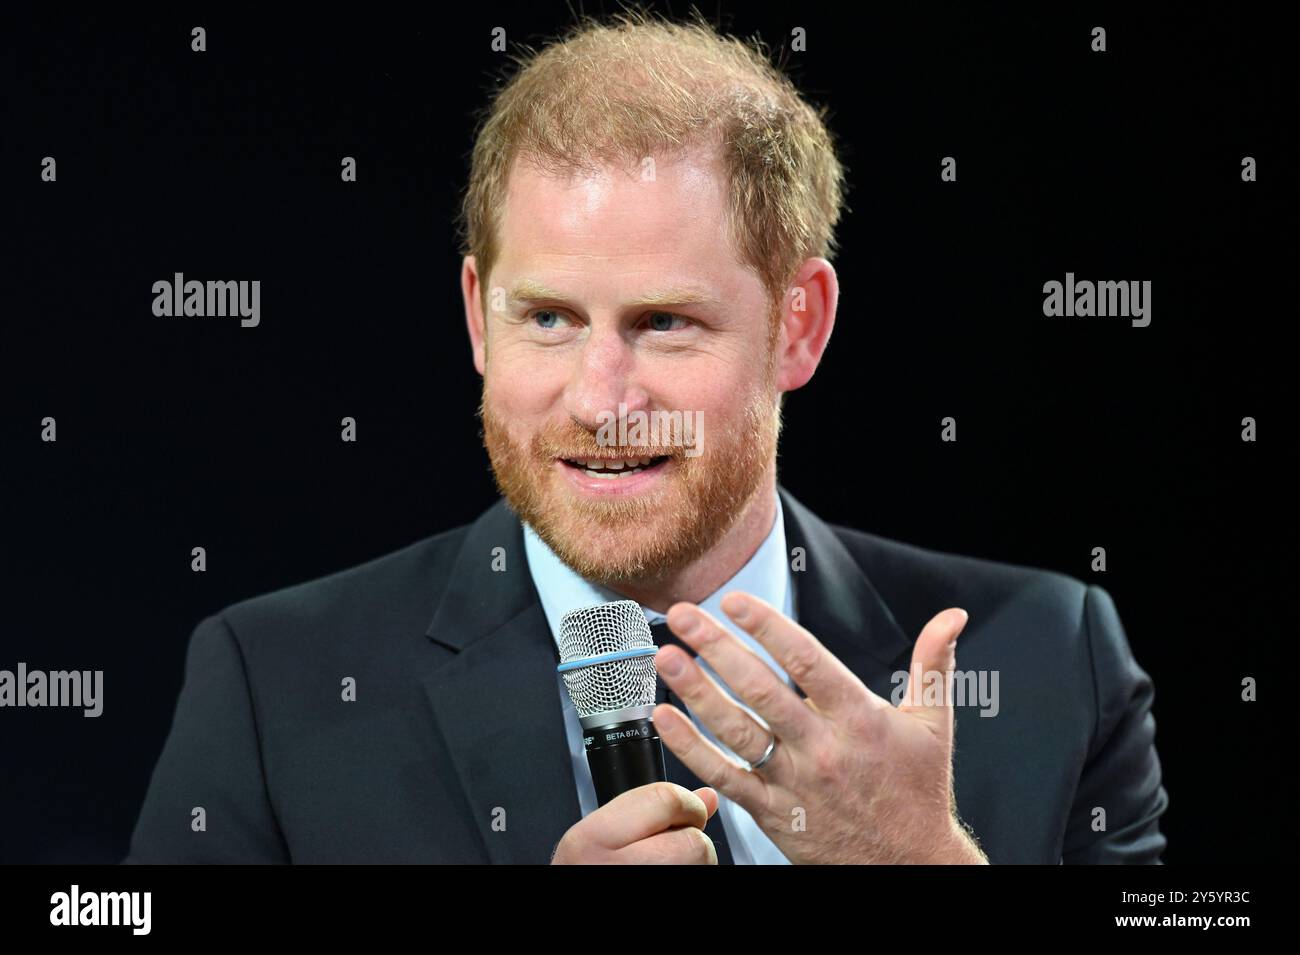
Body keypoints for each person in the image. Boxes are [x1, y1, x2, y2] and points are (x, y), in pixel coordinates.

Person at [124, 11, 1167, 864]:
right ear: (475, 311)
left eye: (664, 323)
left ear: (797, 324)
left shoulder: (1048, 657)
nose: (601, 400)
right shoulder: (271, 685)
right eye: (548, 319)